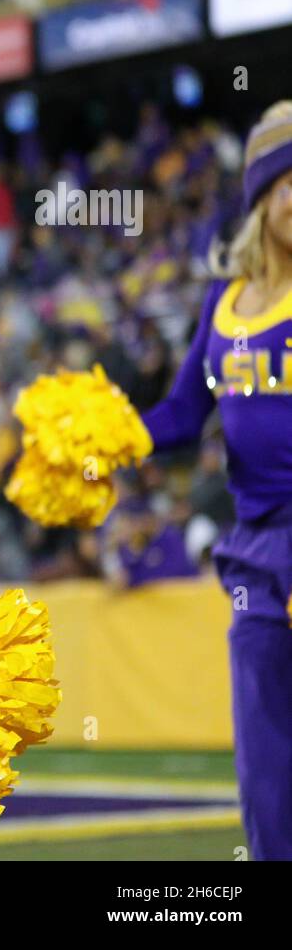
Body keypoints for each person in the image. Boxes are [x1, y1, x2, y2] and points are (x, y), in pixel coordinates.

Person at [140, 100, 292, 860]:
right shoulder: (224, 305)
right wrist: (109, 438)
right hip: (255, 552)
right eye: (289, 179)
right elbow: (179, 412)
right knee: (264, 760)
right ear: (263, 195)